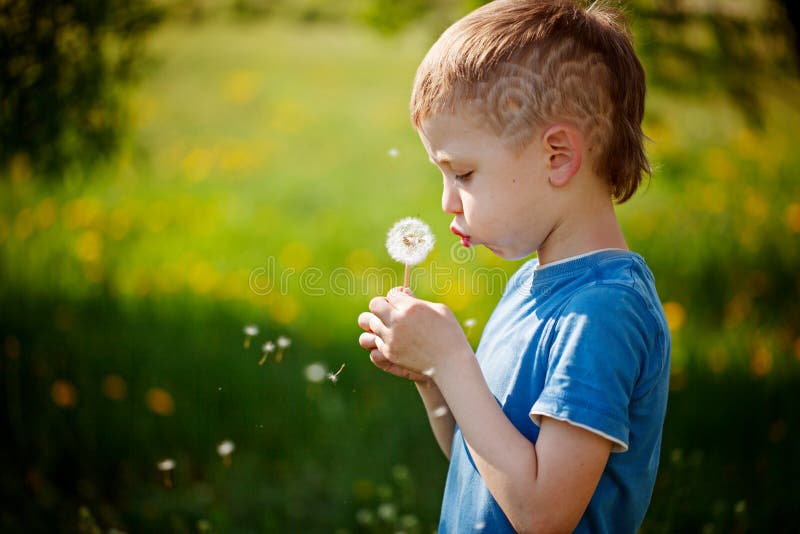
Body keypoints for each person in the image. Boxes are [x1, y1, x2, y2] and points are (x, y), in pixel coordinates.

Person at [357, 0, 670, 532]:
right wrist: (435, 378)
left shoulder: (602, 314)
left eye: (465, 174)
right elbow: (480, 461)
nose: (447, 202)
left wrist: (455, 361)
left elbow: (543, 513)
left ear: (557, 157)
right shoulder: (530, 286)